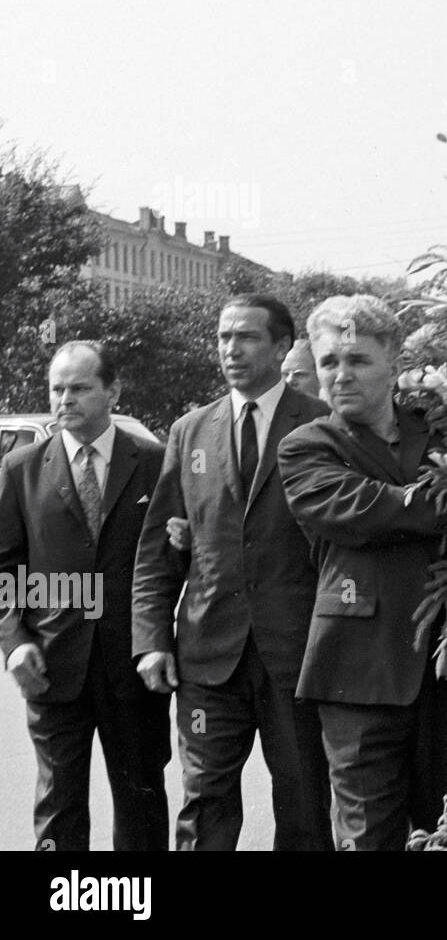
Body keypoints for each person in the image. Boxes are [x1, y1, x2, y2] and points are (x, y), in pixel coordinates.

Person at [278, 295, 447, 850]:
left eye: (358, 361)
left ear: (394, 363)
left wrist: (426, 499)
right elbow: (362, 511)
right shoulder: (305, 446)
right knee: (366, 838)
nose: (340, 375)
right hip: (359, 670)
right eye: (328, 363)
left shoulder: (446, 430)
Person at [133, 294, 332, 851]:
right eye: (223, 337)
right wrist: (151, 640)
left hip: (295, 657)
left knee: (303, 802)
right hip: (206, 659)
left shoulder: (320, 424)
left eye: (245, 337)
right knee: (203, 802)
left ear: (281, 345)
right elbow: (157, 551)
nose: (230, 349)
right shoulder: (190, 431)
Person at [0, 341, 170, 850]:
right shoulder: (21, 469)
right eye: (57, 389)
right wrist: (15, 640)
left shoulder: (156, 463)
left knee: (140, 799)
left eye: (79, 388)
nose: (64, 399)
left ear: (112, 391)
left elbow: (171, 560)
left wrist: (159, 637)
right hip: (52, 662)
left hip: (134, 662)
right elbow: (5, 564)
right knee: (59, 804)